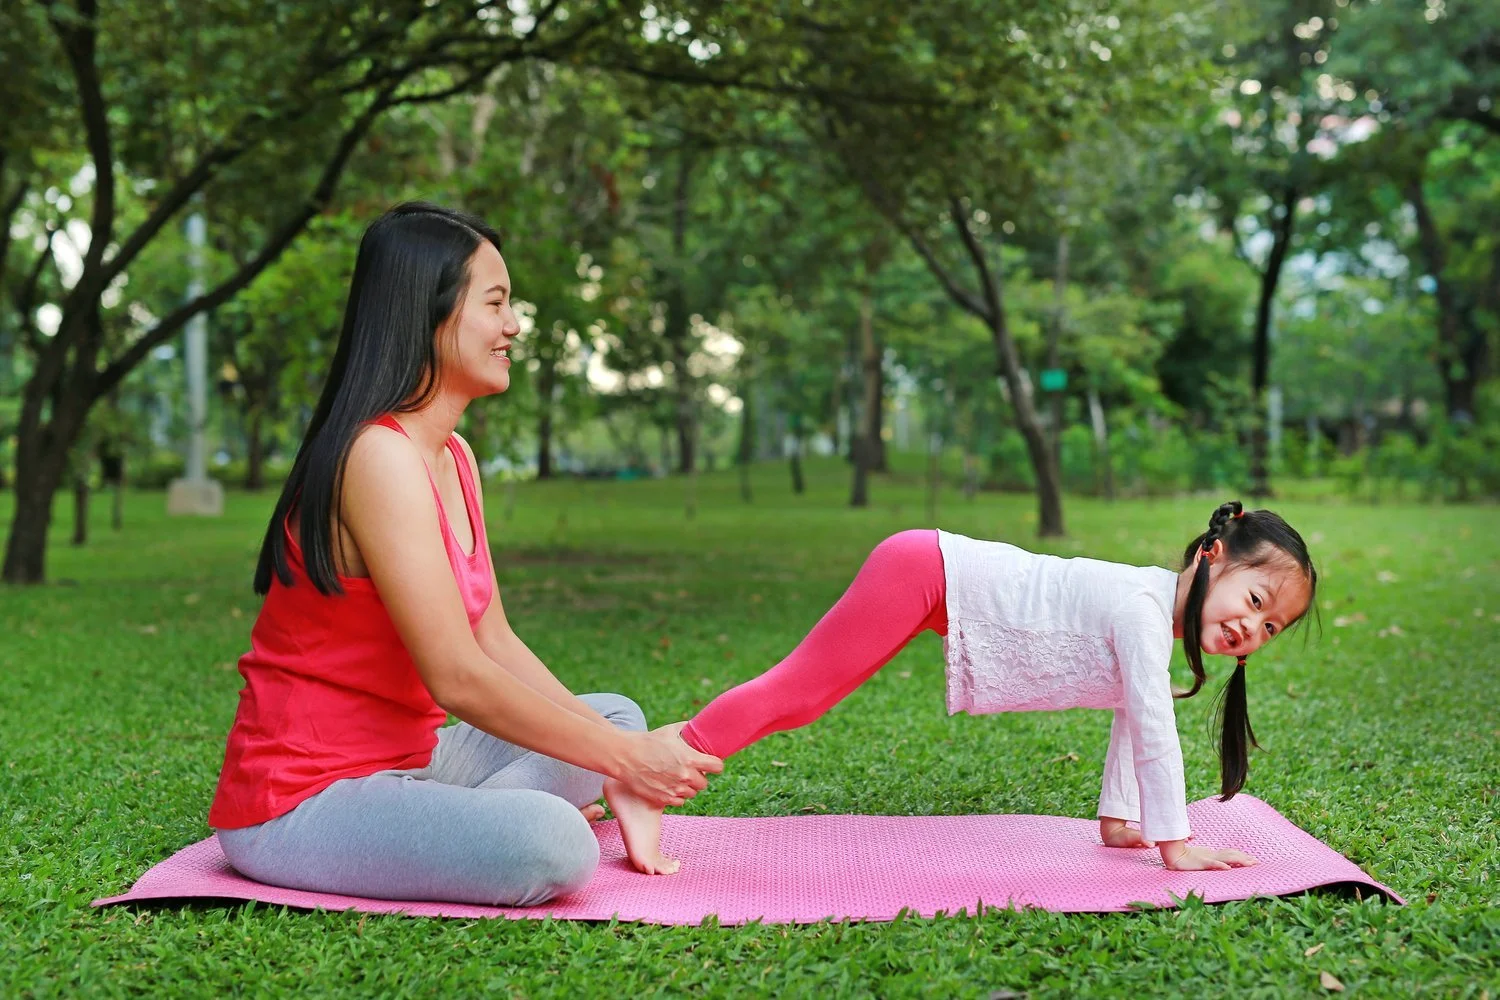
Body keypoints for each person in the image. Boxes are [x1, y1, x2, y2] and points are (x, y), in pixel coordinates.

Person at [207, 202, 722, 906]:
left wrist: (612, 750)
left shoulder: (452, 454)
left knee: (613, 716)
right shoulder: (377, 457)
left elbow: (492, 639)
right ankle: (494, 824)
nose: (513, 326)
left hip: (419, 763)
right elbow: (454, 675)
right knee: (556, 842)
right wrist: (627, 765)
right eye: (496, 303)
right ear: (429, 312)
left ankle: (466, 822)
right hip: (304, 800)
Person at [606, 502, 1318, 877]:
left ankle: (645, 762)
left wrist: (1120, 821)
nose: (1251, 628)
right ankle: (648, 771)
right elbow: (1156, 728)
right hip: (924, 569)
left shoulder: (1151, 620)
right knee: (798, 693)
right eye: (1254, 601)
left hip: (931, 573)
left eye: (1272, 627)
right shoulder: (1141, 608)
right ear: (1211, 556)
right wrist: (1175, 844)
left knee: (805, 700)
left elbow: (1137, 715)